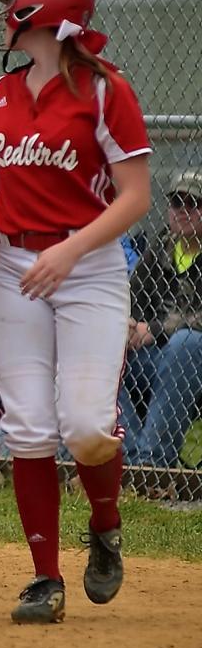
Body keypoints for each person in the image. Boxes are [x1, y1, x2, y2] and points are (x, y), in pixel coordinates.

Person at [0, 0, 151, 625]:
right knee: (30, 429)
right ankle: (45, 578)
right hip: (13, 270)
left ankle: (105, 522)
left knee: (88, 427)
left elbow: (135, 197)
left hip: (89, 267)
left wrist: (70, 250)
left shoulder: (104, 90)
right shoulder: (2, 91)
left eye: (13, 0)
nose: (2, 12)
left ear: (42, 12)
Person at [121, 170, 202, 478]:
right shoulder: (161, 247)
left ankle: (152, 465)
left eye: (192, 203)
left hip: (193, 361)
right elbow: (132, 296)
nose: (182, 211)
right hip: (156, 360)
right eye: (176, 202)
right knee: (107, 346)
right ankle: (126, 459)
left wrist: (154, 329)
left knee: (187, 343)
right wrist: (126, 323)